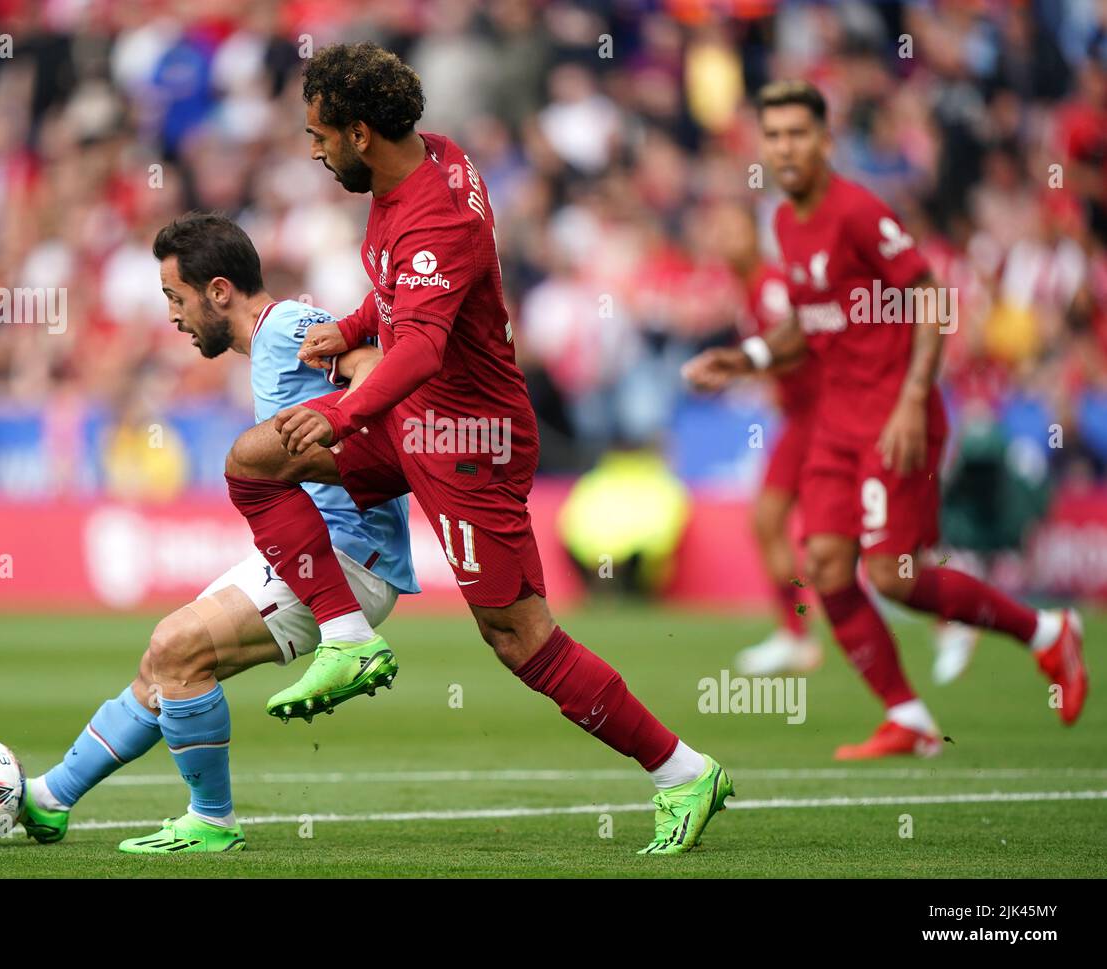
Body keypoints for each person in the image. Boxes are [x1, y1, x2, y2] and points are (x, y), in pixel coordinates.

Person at [222, 42, 732, 854]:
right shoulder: (436, 162)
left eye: (318, 135)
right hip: (418, 422)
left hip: (468, 444)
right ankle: (349, 639)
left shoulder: (435, 213)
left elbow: (423, 343)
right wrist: (352, 328)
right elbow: (410, 294)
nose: (311, 151)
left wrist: (344, 413)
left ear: (360, 132)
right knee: (254, 460)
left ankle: (681, 770)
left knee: (518, 637)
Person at [683, 81, 1087, 760]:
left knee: (896, 574)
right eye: (774, 135)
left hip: (893, 416)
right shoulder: (784, 221)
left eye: (798, 133)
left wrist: (909, 399)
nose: (785, 147)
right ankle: (909, 717)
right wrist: (747, 355)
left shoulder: (858, 213)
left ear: (826, 141)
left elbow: (933, 301)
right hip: (835, 422)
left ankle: (1048, 632)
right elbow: (808, 324)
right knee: (827, 566)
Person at [20, 213, 419, 853]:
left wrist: (342, 424)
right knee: (163, 667)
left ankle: (212, 820)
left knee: (177, 645)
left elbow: (374, 368)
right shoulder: (266, 345)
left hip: (347, 556)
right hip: (322, 553)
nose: (173, 317)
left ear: (220, 291)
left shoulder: (288, 326)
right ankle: (50, 798)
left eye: (176, 298)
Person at [711, 201, 823, 675]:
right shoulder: (749, 291)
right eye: (719, 231)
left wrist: (748, 366)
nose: (724, 240)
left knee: (781, 522)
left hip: (823, 416)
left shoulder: (770, 286)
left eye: (733, 230)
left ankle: (797, 634)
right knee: (768, 520)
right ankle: (795, 633)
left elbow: (795, 344)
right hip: (801, 417)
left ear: (755, 237)